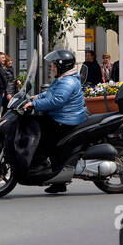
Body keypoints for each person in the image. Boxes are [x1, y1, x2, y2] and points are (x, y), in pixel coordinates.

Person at [29, 47, 87, 194]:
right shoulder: (63, 79)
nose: (52, 68)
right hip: (62, 116)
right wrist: (34, 98)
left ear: (62, 66)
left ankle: (42, 166)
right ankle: (58, 180)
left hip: (66, 120)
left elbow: (57, 100)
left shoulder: (67, 81)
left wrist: (34, 104)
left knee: (42, 140)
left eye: (54, 65)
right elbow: (50, 94)